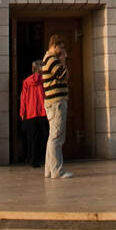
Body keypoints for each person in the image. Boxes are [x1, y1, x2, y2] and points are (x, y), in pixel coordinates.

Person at [41, 34, 73, 179]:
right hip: (57, 103)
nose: (62, 50)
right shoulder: (52, 60)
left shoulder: (47, 59)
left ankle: (49, 170)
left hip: (53, 103)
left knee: (52, 137)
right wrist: (63, 61)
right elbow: (64, 75)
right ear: (54, 46)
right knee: (57, 137)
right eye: (61, 47)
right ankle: (57, 171)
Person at [19, 60, 49, 168]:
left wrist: (22, 112)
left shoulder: (26, 82)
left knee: (33, 138)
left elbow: (23, 98)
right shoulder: (45, 80)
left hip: (30, 113)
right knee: (45, 136)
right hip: (43, 111)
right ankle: (46, 159)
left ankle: (33, 160)